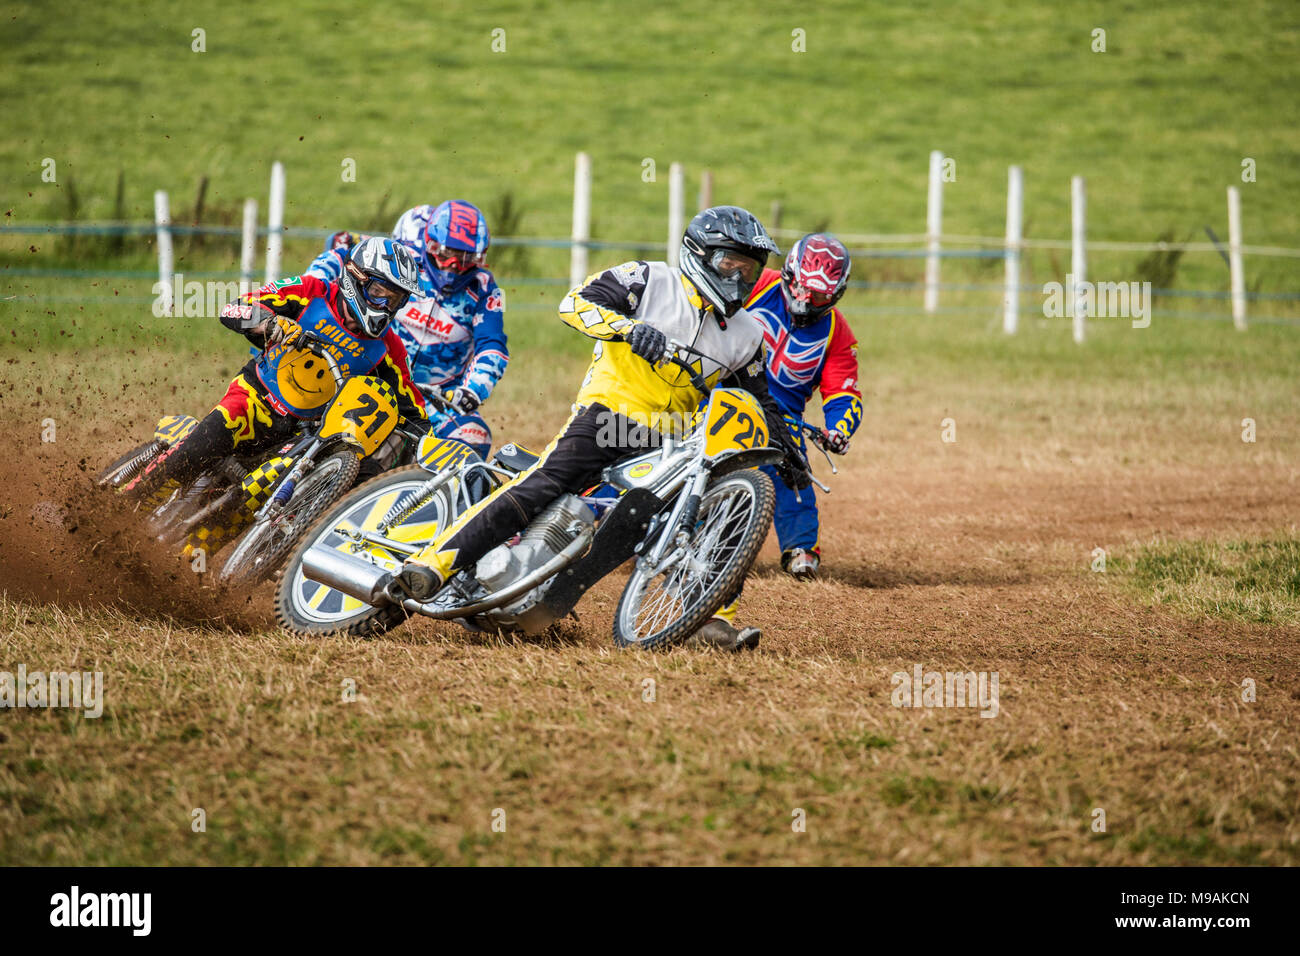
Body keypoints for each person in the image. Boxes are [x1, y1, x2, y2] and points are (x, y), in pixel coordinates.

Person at [391, 206, 811, 651]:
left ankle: (708, 617)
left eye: (750, 269)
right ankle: (434, 563)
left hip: (670, 439)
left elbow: (761, 400)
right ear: (701, 254)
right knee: (543, 484)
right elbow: (574, 304)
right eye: (731, 264)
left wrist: (789, 454)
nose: (740, 278)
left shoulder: (746, 334)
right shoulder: (651, 279)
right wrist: (629, 330)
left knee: (714, 507)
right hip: (608, 413)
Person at [124, 237, 428, 504]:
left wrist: (432, 447)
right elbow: (234, 308)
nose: (386, 306)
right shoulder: (311, 292)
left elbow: (412, 409)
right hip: (255, 399)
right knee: (198, 449)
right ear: (356, 278)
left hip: (303, 436)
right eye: (380, 293)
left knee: (257, 505)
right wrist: (269, 323)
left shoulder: (389, 349)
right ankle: (123, 504)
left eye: (396, 300)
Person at [302, 201, 507, 458]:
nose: (452, 265)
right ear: (429, 244)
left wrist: (474, 390)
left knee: (474, 436)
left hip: (438, 399)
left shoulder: (485, 289)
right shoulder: (404, 256)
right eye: (445, 254)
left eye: (465, 259)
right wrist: (312, 287)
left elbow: (492, 345)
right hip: (374, 373)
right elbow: (341, 253)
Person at [743, 233, 862, 579]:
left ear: (836, 294)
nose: (806, 300)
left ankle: (800, 550)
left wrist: (839, 429)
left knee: (794, 472)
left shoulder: (837, 332)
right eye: (801, 289)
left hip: (783, 416)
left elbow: (844, 392)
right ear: (788, 275)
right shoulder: (757, 284)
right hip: (722, 391)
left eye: (820, 295)